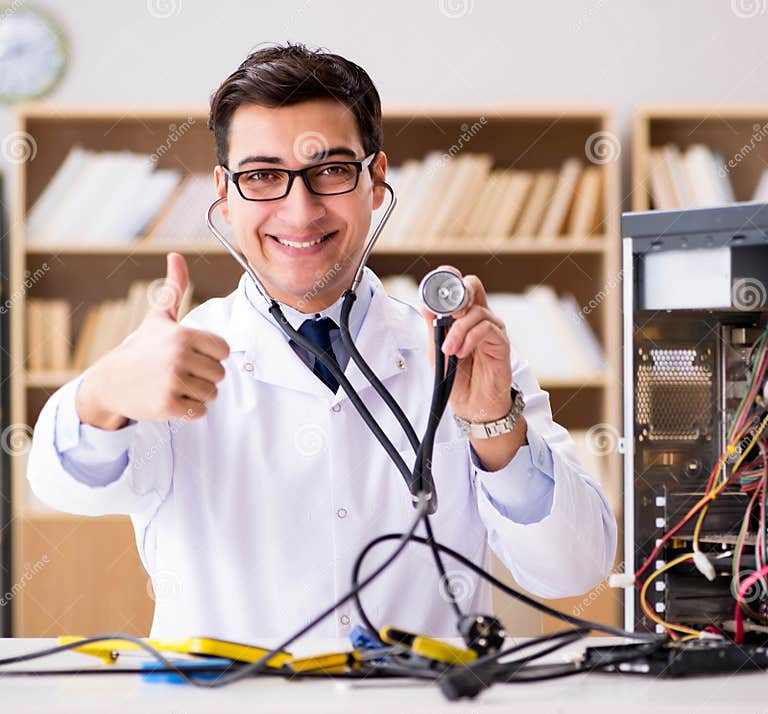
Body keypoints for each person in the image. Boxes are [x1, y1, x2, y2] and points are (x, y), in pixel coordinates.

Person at [27, 43, 616, 641]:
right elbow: (63, 487)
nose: (300, 210)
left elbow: (573, 567)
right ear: (224, 195)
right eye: (262, 177)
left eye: (330, 171)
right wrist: (103, 392)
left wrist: (495, 425)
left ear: (376, 181)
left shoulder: (464, 354)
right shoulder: (172, 360)